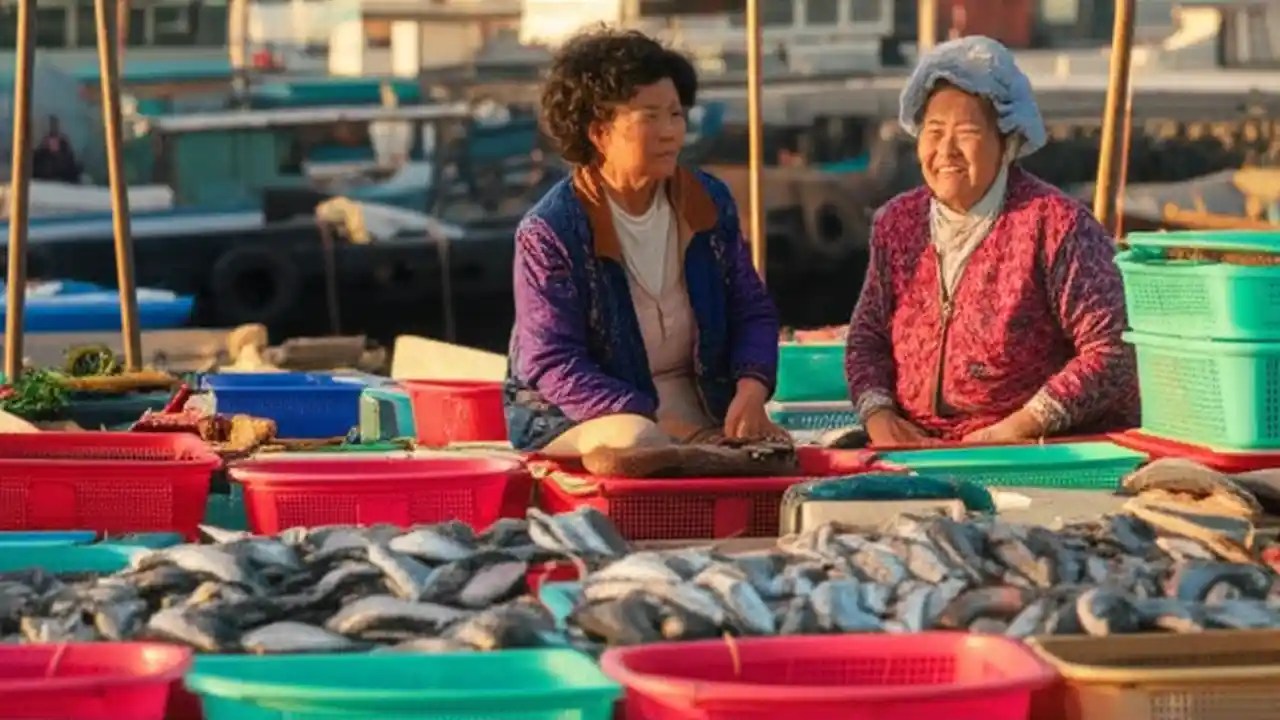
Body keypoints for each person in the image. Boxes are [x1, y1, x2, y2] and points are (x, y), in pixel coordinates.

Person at [845, 36, 1139, 447]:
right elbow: (868, 335)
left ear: (1008, 141)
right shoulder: (897, 223)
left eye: (966, 132)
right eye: (933, 131)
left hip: (1031, 453)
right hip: (914, 448)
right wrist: (879, 416)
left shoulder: (1056, 225)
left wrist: (1019, 426)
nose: (945, 150)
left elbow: (1115, 350)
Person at [503, 27, 782, 458]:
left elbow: (752, 309)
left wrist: (751, 388)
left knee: (771, 449)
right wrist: (654, 419)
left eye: (676, 114)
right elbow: (552, 361)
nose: (671, 131)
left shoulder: (708, 202)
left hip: (697, 400)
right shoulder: (551, 230)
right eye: (650, 117)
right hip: (582, 412)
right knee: (640, 443)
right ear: (599, 132)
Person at [32, 115, 81, 184]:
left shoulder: (67, 156)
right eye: (50, 138)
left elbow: (74, 175)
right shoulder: (38, 157)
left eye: (55, 137)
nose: (53, 141)